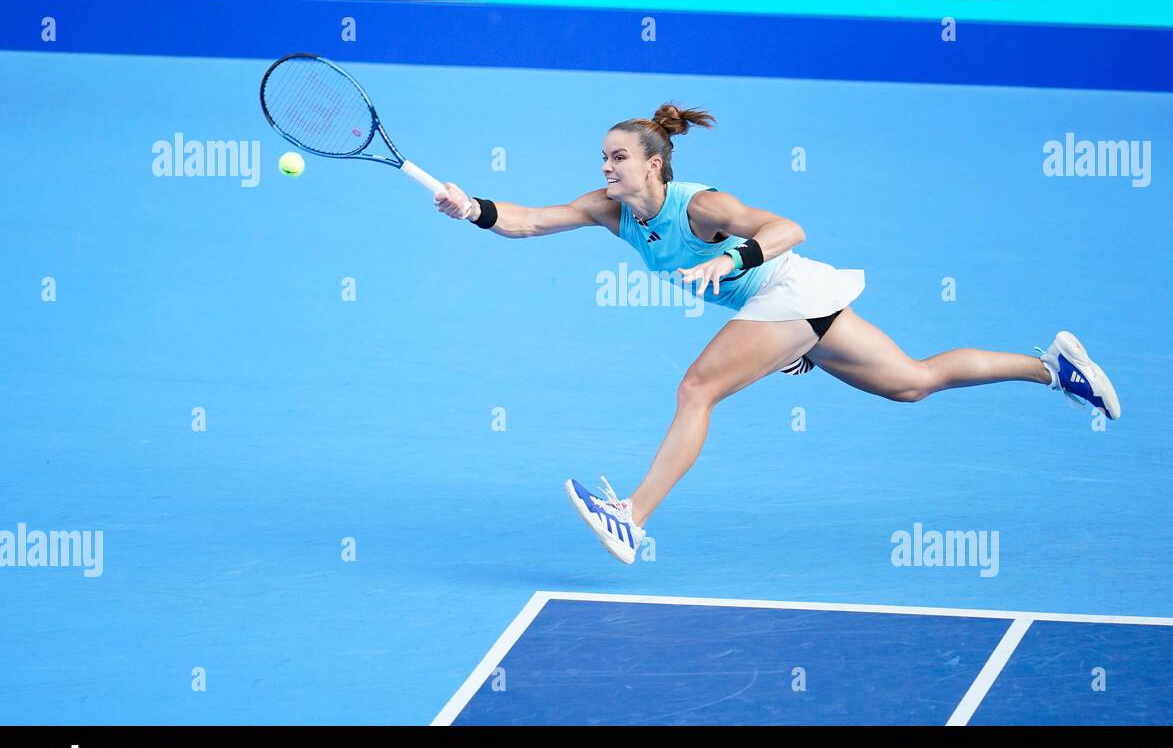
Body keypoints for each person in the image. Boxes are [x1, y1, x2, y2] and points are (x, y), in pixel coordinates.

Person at [433, 104, 1121, 564]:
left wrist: (732, 260)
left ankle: (632, 516)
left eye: (617, 158)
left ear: (654, 164)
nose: (605, 168)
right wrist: (468, 207)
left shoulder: (700, 206)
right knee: (913, 383)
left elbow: (788, 229)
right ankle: (1050, 366)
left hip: (788, 291)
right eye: (603, 158)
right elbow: (528, 219)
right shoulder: (610, 212)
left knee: (696, 388)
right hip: (791, 312)